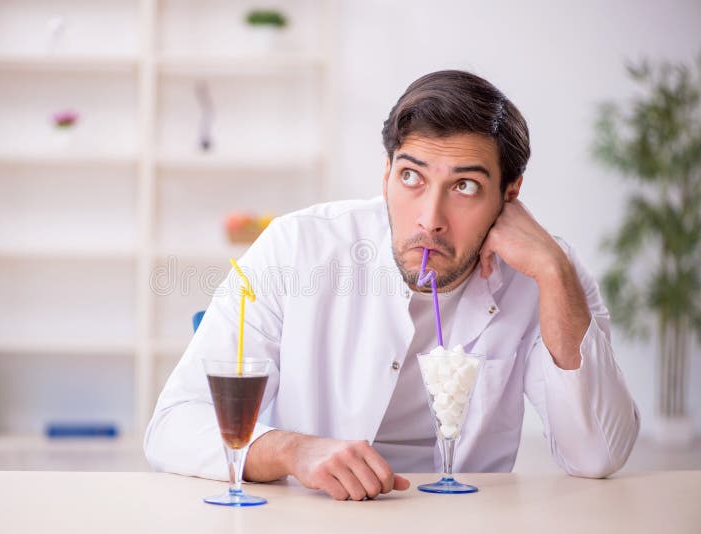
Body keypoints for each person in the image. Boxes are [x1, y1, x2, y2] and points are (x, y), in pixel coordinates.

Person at [144, 70, 640, 501]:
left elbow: (596, 453)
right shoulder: (298, 247)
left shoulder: (546, 273)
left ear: (510, 195)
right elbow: (172, 425)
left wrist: (554, 272)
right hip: (314, 517)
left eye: (465, 186)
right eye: (411, 177)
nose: (431, 219)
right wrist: (293, 450)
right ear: (385, 175)